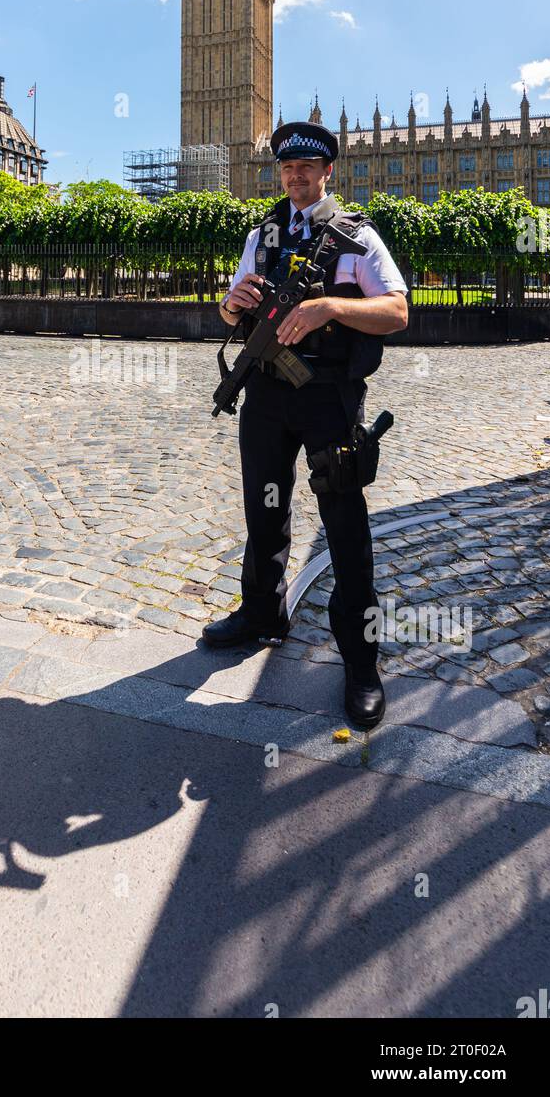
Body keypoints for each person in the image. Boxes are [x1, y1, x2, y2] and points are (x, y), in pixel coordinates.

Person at [202, 120, 409, 729]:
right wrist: (230, 305)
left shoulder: (357, 236)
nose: (294, 177)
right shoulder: (260, 234)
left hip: (327, 398)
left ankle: (361, 658)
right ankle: (262, 612)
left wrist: (328, 306)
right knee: (263, 510)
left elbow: (397, 310)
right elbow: (230, 307)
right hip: (266, 391)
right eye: (285, 169)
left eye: (306, 169)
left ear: (327, 173)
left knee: (345, 525)